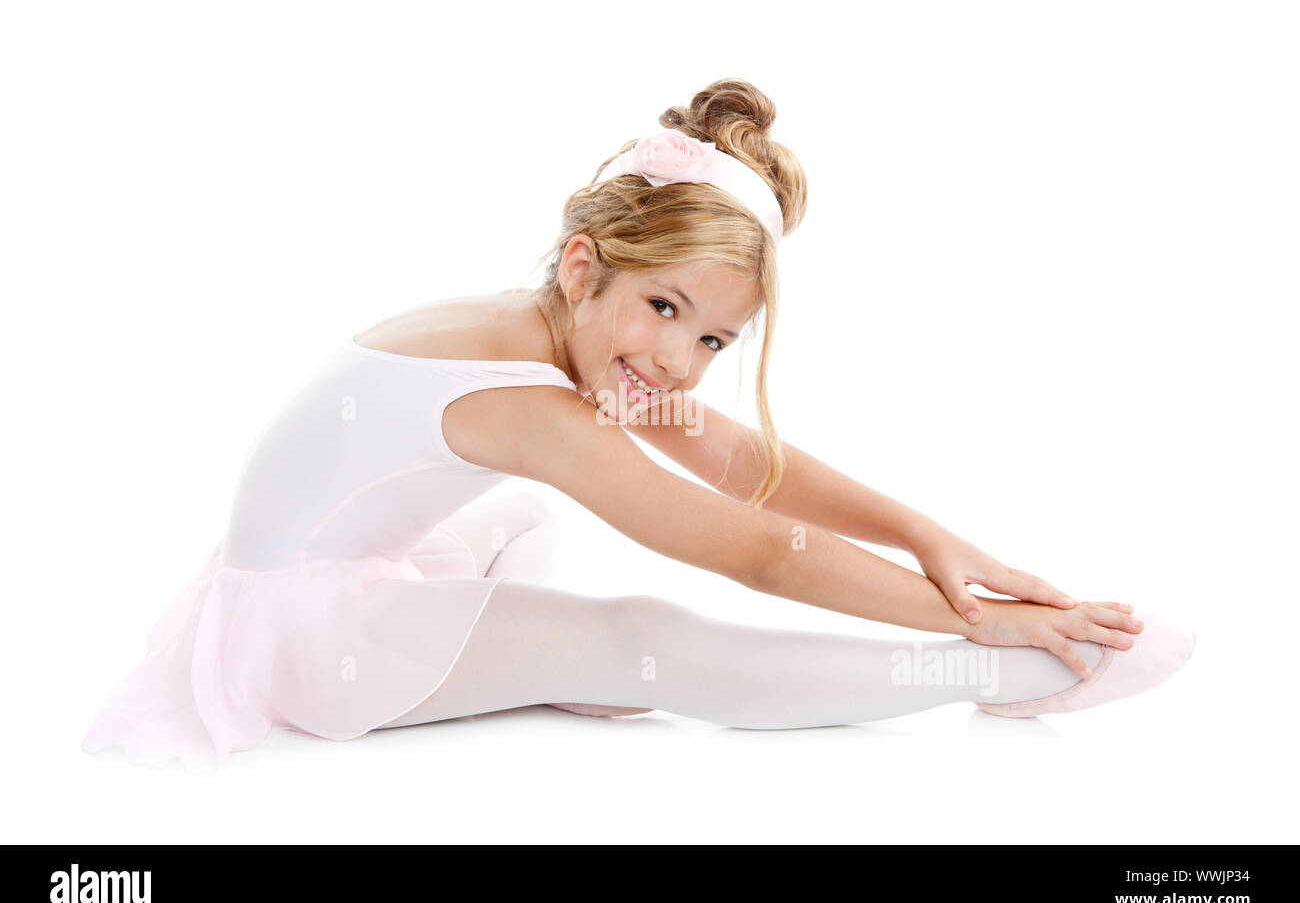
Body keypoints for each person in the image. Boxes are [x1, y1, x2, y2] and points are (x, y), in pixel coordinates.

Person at [81, 78, 1195, 770]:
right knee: (639, 634)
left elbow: (741, 464)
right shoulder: (526, 401)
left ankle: (520, 656)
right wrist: (978, 626)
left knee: (519, 521)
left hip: (324, 562)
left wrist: (941, 544)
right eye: (667, 309)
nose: (679, 360)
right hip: (299, 636)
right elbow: (754, 547)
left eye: (711, 340)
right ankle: (995, 680)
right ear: (586, 265)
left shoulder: (561, 324)